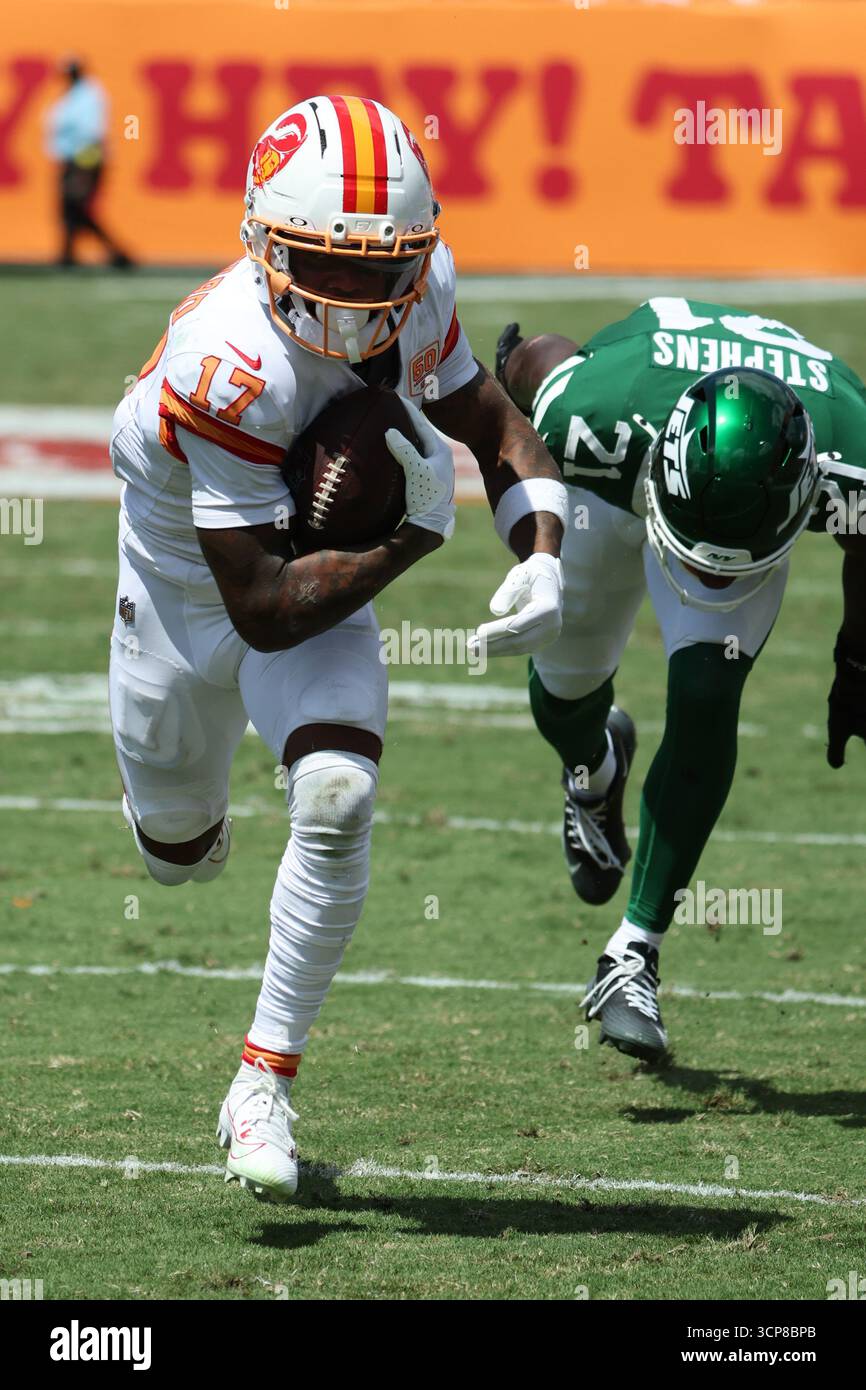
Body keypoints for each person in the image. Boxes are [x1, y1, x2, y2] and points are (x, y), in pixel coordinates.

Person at [109, 96, 568, 1202]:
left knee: (335, 794)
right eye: (329, 266)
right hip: (186, 601)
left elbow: (491, 421)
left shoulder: (421, 293)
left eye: (384, 271)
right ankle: (181, 827)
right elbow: (260, 603)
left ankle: (262, 1078)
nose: (360, 301)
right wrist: (413, 535)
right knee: (174, 855)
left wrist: (542, 547)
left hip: (313, 598)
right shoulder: (230, 361)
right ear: (263, 241)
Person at [496, 298, 866, 1060]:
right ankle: (594, 765)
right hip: (617, 487)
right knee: (564, 691)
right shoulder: (596, 414)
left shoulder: (851, 454)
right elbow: (536, 368)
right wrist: (536, 553)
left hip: (735, 491)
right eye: (696, 553)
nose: (699, 572)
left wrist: (855, 658)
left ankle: (633, 953)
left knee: (706, 702)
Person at [45, 59, 132, 267]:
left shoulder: (88, 95)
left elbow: (91, 132)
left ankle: (114, 253)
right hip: (72, 159)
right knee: (70, 209)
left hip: (83, 159)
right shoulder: (72, 95)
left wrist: (84, 166)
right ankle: (69, 255)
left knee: (76, 207)